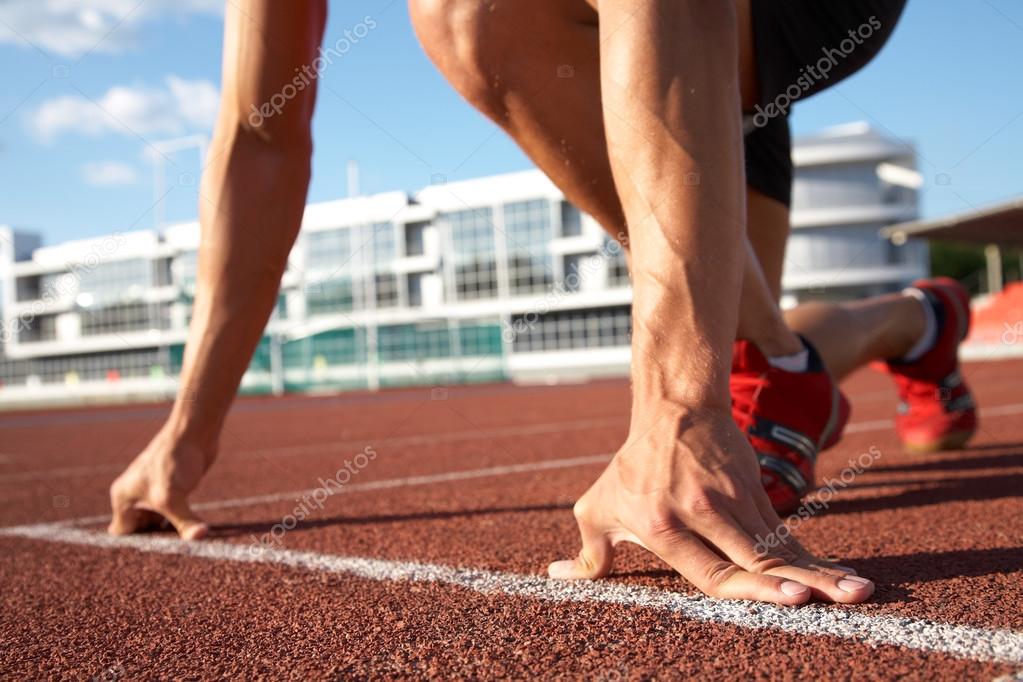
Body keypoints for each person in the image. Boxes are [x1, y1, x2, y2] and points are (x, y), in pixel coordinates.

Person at [110, 0, 977, 607]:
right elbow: (261, 135)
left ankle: (764, 373)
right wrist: (186, 432)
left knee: (470, 7)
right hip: (647, 38)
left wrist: (678, 410)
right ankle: (918, 320)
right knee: (757, 359)